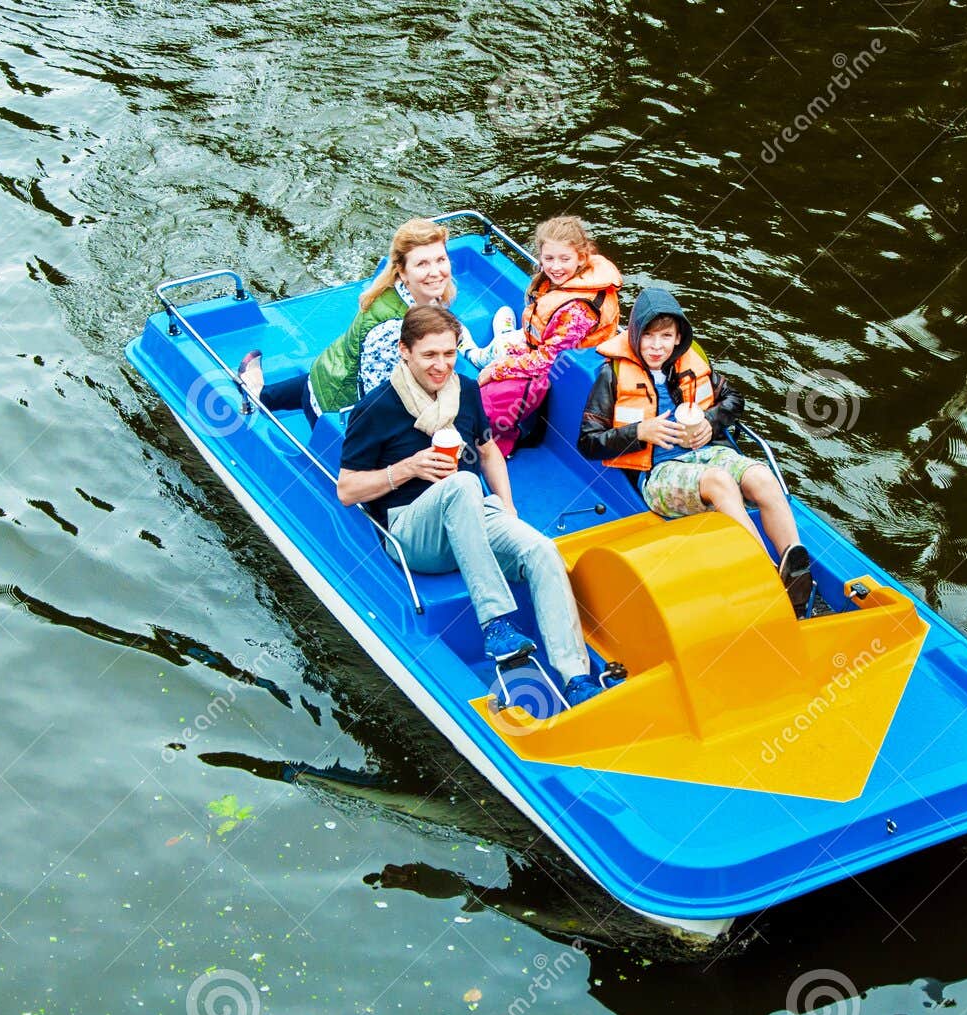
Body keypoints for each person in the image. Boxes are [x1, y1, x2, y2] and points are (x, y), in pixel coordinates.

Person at [336, 305, 605, 706]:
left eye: (448, 353)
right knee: (463, 482)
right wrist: (407, 468)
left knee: (541, 550)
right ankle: (496, 624)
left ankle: (576, 678)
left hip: (469, 516)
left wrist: (508, 509)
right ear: (404, 351)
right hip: (411, 533)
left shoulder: (465, 390)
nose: (441, 365)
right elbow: (347, 490)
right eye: (429, 355)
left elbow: (489, 450)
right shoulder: (376, 408)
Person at [577, 286, 814, 613]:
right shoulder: (612, 375)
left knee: (761, 476)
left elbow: (734, 399)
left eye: (665, 336)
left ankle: (797, 570)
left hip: (705, 453)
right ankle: (768, 577)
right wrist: (639, 431)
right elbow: (588, 442)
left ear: (677, 338)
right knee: (720, 482)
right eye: (648, 336)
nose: (656, 346)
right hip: (656, 474)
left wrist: (710, 422)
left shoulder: (691, 362)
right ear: (634, 336)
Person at [241, 218, 478, 419]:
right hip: (339, 403)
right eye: (422, 264)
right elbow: (378, 400)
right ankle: (256, 393)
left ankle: (259, 392)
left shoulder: (425, 294)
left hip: (333, 370)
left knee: (311, 384)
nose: (436, 271)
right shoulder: (392, 328)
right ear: (403, 272)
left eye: (440, 260)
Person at [477, 216, 622, 457]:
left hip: (558, 368)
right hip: (540, 346)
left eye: (565, 259)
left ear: (581, 258)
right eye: (549, 258)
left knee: (496, 384)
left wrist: (499, 370)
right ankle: (491, 348)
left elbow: (547, 361)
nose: (556, 266)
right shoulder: (559, 283)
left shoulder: (578, 311)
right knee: (507, 347)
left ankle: (479, 356)